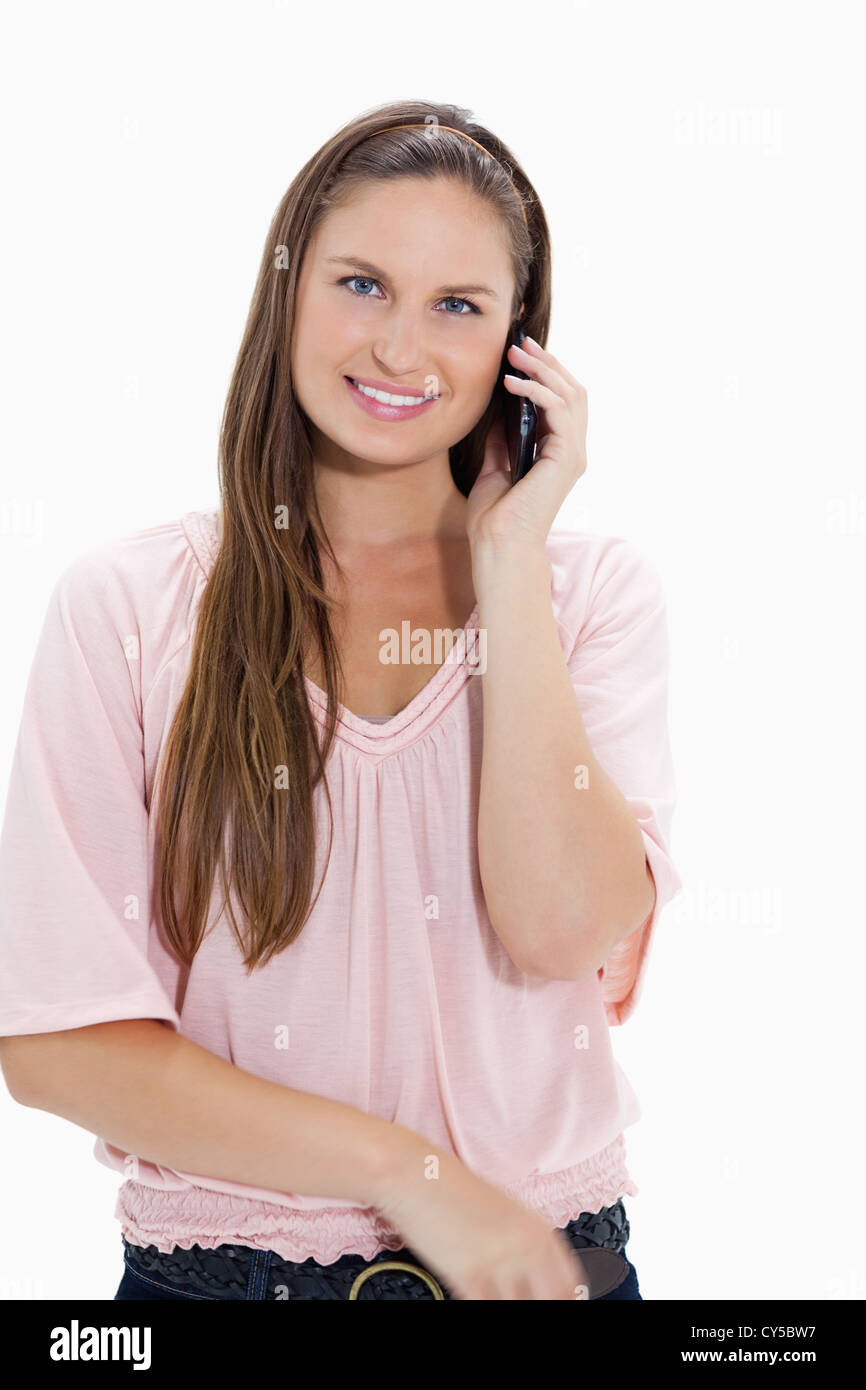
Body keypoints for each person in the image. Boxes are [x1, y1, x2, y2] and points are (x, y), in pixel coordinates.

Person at [0, 99, 681, 1301]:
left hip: (543, 1272)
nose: (398, 350)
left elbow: (562, 931)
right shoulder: (129, 605)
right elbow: (58, 1041)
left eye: (457, 306)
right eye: (360, 284)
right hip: (221, 1284)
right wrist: (410, 1170)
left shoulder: (587, 597)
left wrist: (510, 566)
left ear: (519, 345)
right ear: (287, 294)